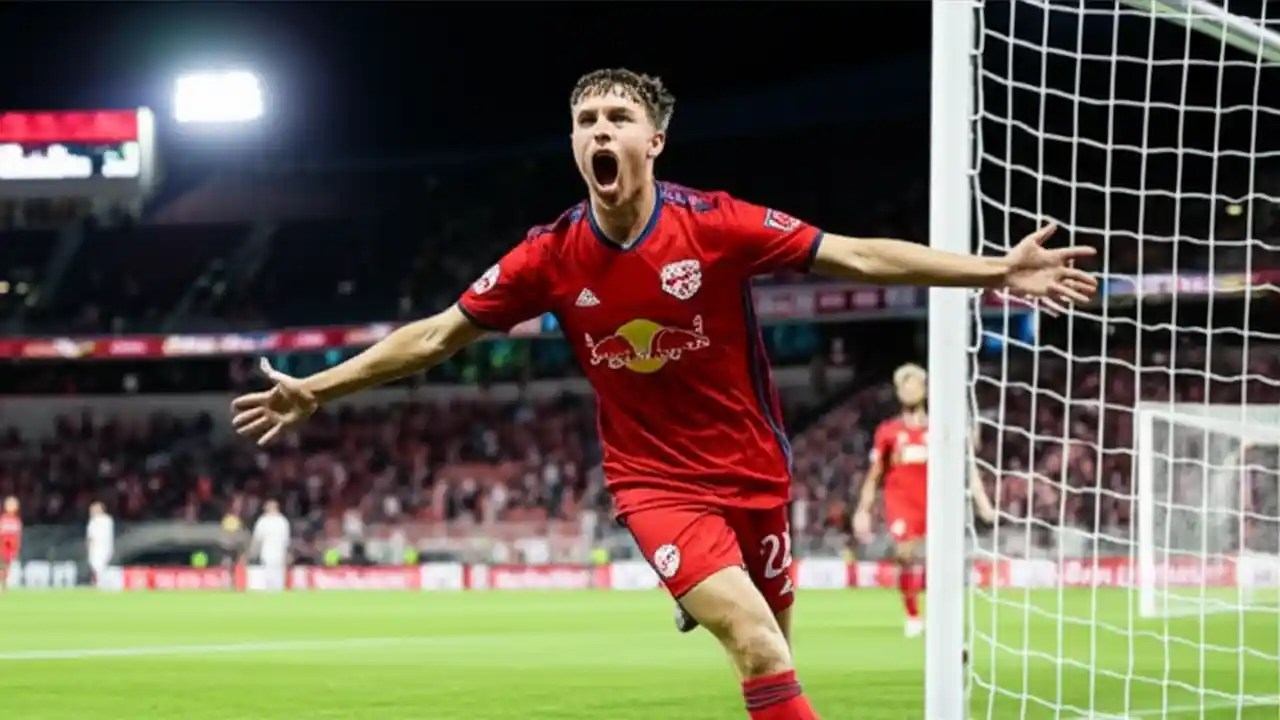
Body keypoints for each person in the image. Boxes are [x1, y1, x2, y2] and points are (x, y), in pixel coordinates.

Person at [228, 68, 1096, 720]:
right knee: (754, 641)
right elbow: (435, 334)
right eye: (584, 121)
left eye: (617, 118)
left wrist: (995, 269)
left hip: (757, 475)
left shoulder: (713, 224)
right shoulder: (549, 256)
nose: (598, 131)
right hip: (656, 485)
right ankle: (693, 581)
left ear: (653, 142)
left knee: (770, 660)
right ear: (575, 144)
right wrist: (319, 390)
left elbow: (859, 254)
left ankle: (701, 591)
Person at [852, 363, 997, 637]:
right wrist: (863, 510)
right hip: (901, 502)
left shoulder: (941, 430)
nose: (909, 390)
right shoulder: (889, 431)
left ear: (925, 390)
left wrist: (983, 502)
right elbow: (874, 475)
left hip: (936, 502)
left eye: (915, 384)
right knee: (904, 554)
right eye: (904, 385)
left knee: (940, 562)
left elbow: (968, 468)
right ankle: (912, 615)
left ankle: (940, 615)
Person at [249, 500, 291, 592]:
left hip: (280, 553)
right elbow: (257, 539)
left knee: (278, 575)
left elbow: (286, 540)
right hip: (267, 552)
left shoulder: (282, 521)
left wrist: (287, 554)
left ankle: (277, 593)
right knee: (267, 574)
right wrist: (253, 553)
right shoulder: (263, 521)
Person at [86, 501, 115, 586]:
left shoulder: (105, 520)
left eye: (93, 510)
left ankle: (101, 583)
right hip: (97, 548)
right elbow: (90, 537)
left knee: (99, 566)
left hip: (102, 547)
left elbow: (94, 536)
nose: (91, 512)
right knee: (97, 566)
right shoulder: (94, 521)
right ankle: (98, 582)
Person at [0, 496, 20, 592]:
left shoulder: (16, 520)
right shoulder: (3, 519)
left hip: (10, 549)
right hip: (2, 547)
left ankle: (3, 584)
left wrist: (15, 549)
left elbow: (17, 537)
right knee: (3, 566)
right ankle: (3, 584)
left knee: (6, 566)